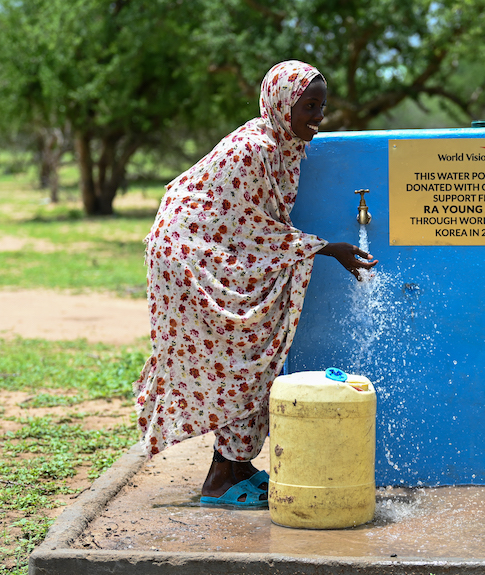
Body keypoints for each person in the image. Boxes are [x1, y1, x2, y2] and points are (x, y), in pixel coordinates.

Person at [134, 60, 377, 509]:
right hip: (191, 257)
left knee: (253, 354)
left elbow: (252, 223)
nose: (318, 117)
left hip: (217, 251)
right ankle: (220, 481)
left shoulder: (283, 146)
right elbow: (244, 224)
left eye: (321, 106)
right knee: (242, 357)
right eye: (309, 106)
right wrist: (325, 248)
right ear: (283, 104)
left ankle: (238, 466)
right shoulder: (254, 149)